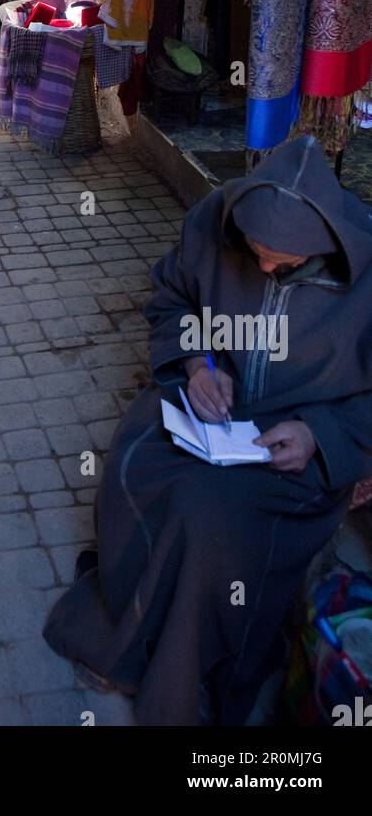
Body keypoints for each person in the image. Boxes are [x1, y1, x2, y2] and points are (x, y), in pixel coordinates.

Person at [43, 135, 372, 726]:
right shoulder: (214, 221)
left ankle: (176, 668)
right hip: (211, 400)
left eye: (284, 263)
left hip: (297, 438)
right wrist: (197, 364)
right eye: (257, 253)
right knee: (130, 466)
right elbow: (171, 298)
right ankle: (129, 619)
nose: (266, 268)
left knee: (208, 517)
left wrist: (318, 435)